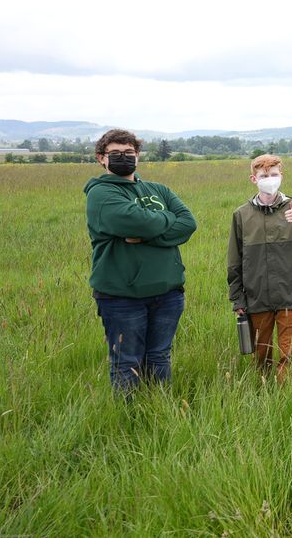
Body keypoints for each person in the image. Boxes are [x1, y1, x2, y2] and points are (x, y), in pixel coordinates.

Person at [84, 128, 196, 393]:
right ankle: (128, 419)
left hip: (168, 292)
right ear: (101, 158)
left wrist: (146, 235)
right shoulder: (101, 194)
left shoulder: (159, 189)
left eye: (129, 152)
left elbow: (188, 224)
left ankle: (157, 411)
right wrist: (163, 224)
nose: (123, 157)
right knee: (126, 361)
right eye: (115, 153)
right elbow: (136, 221)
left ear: (138, 156)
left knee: (159, 357)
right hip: (122, 296)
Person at [227, 154, 292, 382]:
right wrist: (237, 299)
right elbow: (235, 260)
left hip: (290, 293)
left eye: (273, 175)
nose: (269, 179)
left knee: (290, 354)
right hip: (256, 294)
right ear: (254, 178)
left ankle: (285, 397)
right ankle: (262, 391)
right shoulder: (241, 215)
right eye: (264, 175)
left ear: (281, 176)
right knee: (260, 353)